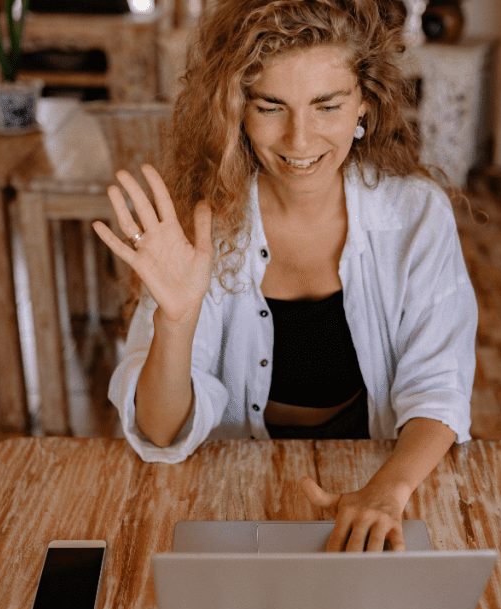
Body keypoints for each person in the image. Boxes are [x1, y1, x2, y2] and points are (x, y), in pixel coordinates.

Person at [93, 0, 477, 553]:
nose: (300, 140)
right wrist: (175, 321)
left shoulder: (416, 216)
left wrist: (385, 493)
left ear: (363, 106)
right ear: (237, 111)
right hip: (230, 493)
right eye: (271, 106)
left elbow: (439, 390)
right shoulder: (204, 225)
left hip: (381, 476)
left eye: (327, 106)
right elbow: (158, 430)